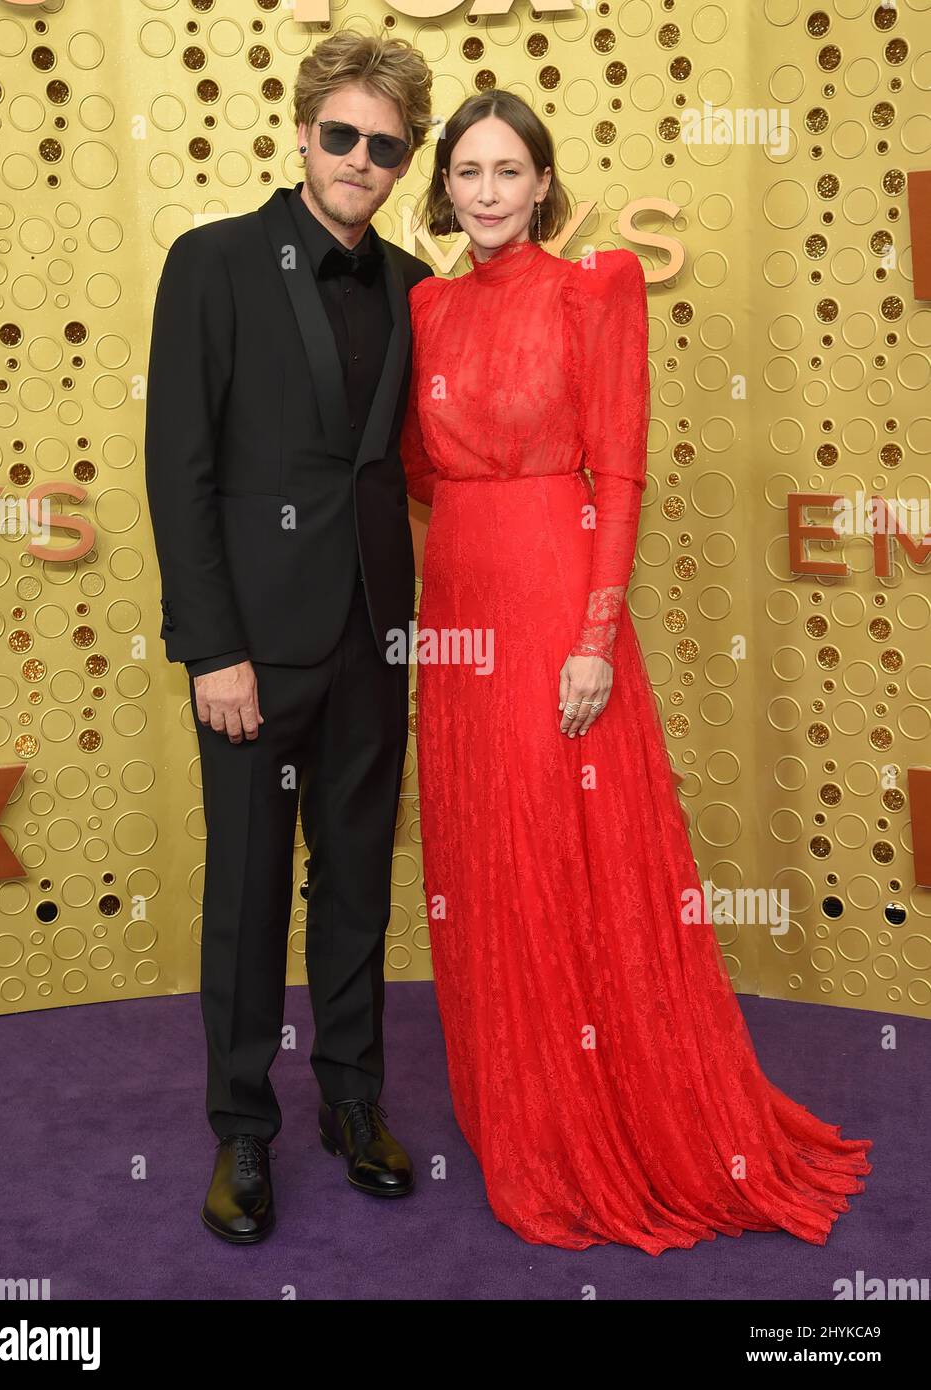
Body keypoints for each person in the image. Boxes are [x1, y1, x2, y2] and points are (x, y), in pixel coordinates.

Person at [400, 90, 873, 1255]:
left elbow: (618, 470)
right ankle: (521, 1115)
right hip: (457, 601)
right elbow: (414, 466)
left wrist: (593, 635)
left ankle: (605, 1117)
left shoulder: (594, 286)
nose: (490, 192)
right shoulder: (422, 303)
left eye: (511, 171)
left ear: (545, 185)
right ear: (444, 187)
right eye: (469, 172)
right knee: (486, 858)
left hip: (555, 605)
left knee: (566, 853)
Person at [144, 31, 434, 1244]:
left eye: (386, 145)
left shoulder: (422, 286)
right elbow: (180, 465)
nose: (361, 160)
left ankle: (353, 1102)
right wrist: (212, 647)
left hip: (377, 638)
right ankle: (243, 1126)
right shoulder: (210, 263)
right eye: (343, 136)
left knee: (358, 887)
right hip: (252, 655)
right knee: (251, 892)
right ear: (302, 131)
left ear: (404, 159)